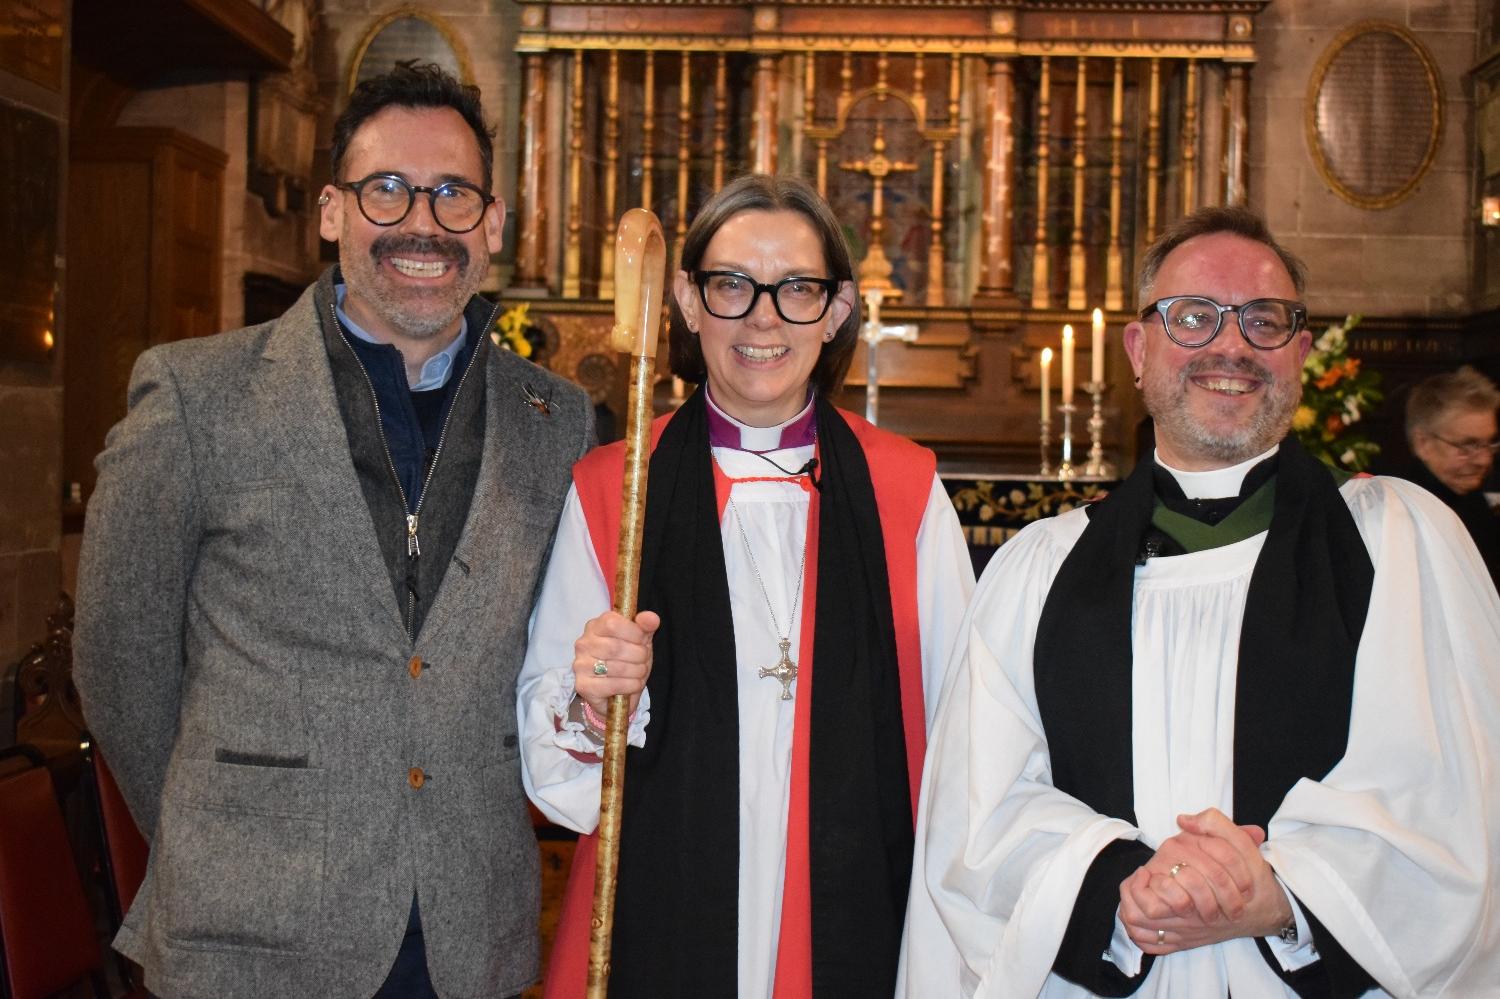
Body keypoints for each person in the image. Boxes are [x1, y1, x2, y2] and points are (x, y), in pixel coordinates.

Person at [74, 63, 592, 999]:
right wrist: (219, 824)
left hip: (465, 933)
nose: (421, 222)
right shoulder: (197, 397)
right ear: (330, 211)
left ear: (496, 223)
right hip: (249, 932)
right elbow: (119, 655)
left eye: (453, 193)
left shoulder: (560, 423)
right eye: (386, 189)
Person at [899, 205, 1500, 998]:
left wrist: (1281, 892)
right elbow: (978, 813)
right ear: (1138, 351)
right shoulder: (1037, 570)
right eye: (1194, 317)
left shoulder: (1400, 544)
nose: (1232, 345)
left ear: (1301, 353)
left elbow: (1451, 798)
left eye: (1265, 320)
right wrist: (1123, 889)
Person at [519, 174, 975, 997]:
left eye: (796, 288)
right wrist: (592, 700)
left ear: (837, 310)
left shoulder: (905, 489)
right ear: (688, 302)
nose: (763, 317)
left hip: (859, 885)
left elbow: (966, 725)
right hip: (663, 890)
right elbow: (556, 754)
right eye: (733, 285)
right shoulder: (614, 489)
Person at [1396, 365, 1500, 587]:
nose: (1484, 460)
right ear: (1423, 443)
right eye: (1467, 445)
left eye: (1490, 443)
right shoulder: (1401, 514)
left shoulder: (1473, 502)